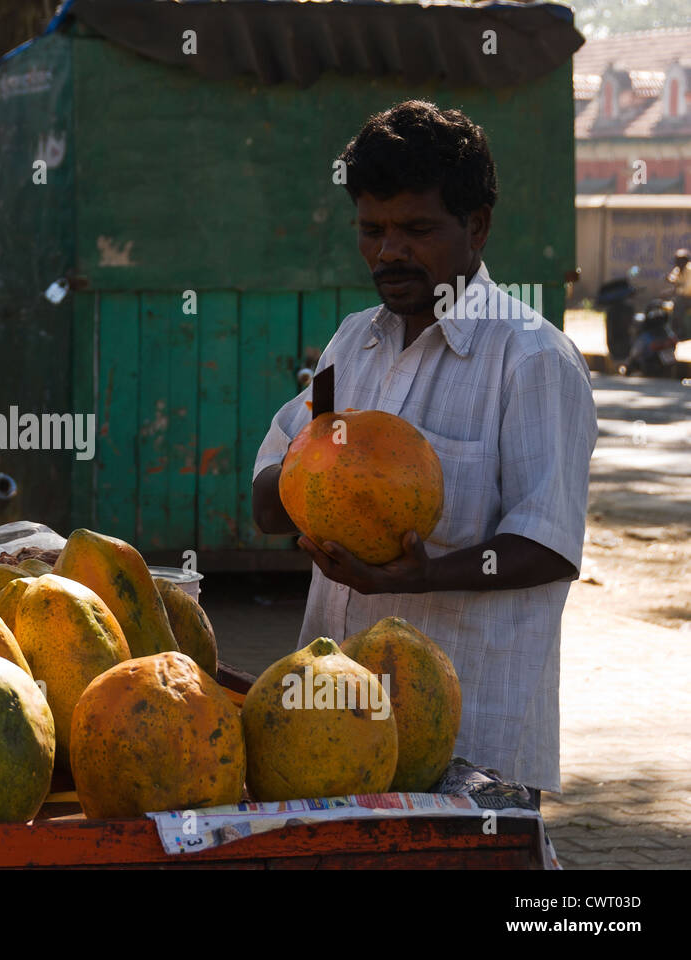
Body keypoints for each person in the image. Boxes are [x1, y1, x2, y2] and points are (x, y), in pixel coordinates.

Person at [250, 101, 597, 807]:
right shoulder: (353, 344)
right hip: (330, 728)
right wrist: (300, 481)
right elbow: (273, 488)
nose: (388, 252)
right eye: (372, 230)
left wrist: (420, 575)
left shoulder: (531, 360)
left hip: (472, 747)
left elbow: (550, 545)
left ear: (476, 227)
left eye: (415, 229)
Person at [665, 249, 691, 340]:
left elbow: (687, 290)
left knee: (679, 303)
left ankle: (680, 331)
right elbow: (672, 278)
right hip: (683, 297)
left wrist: (674, 290)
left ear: (685, 261)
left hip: (688, 297)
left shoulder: (689, 270)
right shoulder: (679, 269)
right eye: (676, 261)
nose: (676, 263)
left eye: (679, 261)